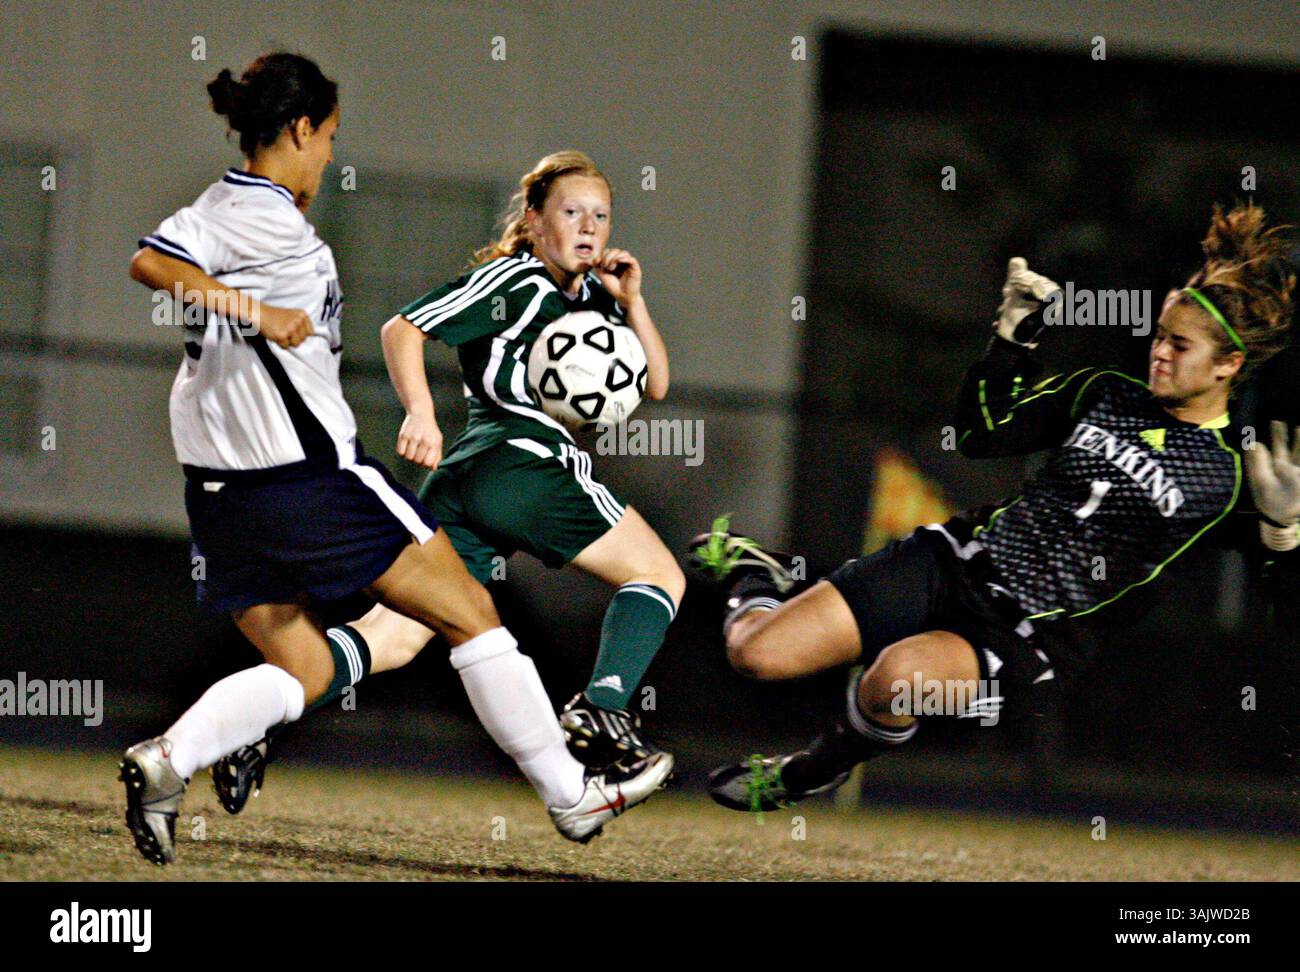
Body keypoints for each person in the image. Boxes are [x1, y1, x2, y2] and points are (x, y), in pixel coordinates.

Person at [121, 55, 668, 864]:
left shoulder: (220, 207)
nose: (330, 157)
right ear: (300, 129)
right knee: (476, 618)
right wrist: (258, 313)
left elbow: (163, 265)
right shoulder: (264, 220)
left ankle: (171, 757)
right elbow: (153, 267)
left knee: (314, 662)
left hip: (221, 493)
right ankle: (572, 792)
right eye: (330, 137)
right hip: (311, 477)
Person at [690, 202, 1299, 810]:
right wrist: (1010, 338)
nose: (1159, 352)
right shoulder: (1104, 392)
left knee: (897, 682)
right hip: (956, 560)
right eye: (1160, 335)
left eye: (1180, 345)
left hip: (1028, 638)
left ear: (1229, 364)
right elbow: (983, 432)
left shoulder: (1233, 476)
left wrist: (1283, 529)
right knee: (755, 654)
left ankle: (808, 773)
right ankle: (756, 575)